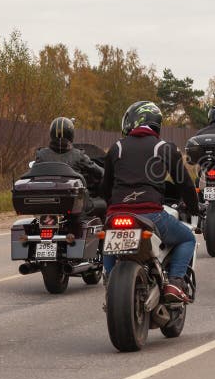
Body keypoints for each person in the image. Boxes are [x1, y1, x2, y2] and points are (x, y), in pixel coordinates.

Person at [101, 101, 199, 302]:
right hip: (151, 214)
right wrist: (195, 208)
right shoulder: (164, 148)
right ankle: (175, 282)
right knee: (188, 238)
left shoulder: (116, 148)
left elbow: (105, 187)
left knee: (109, 237)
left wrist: (109, 210)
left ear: (132, 121)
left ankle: (111, 280)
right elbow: (185, 185)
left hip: (117, 213)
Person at [35, 117, 104, 189]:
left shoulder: (41, 154)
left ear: (51, 133)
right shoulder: (79, 156)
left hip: (47, 195)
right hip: (73, 197)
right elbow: (99, 172)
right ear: (71, 134)